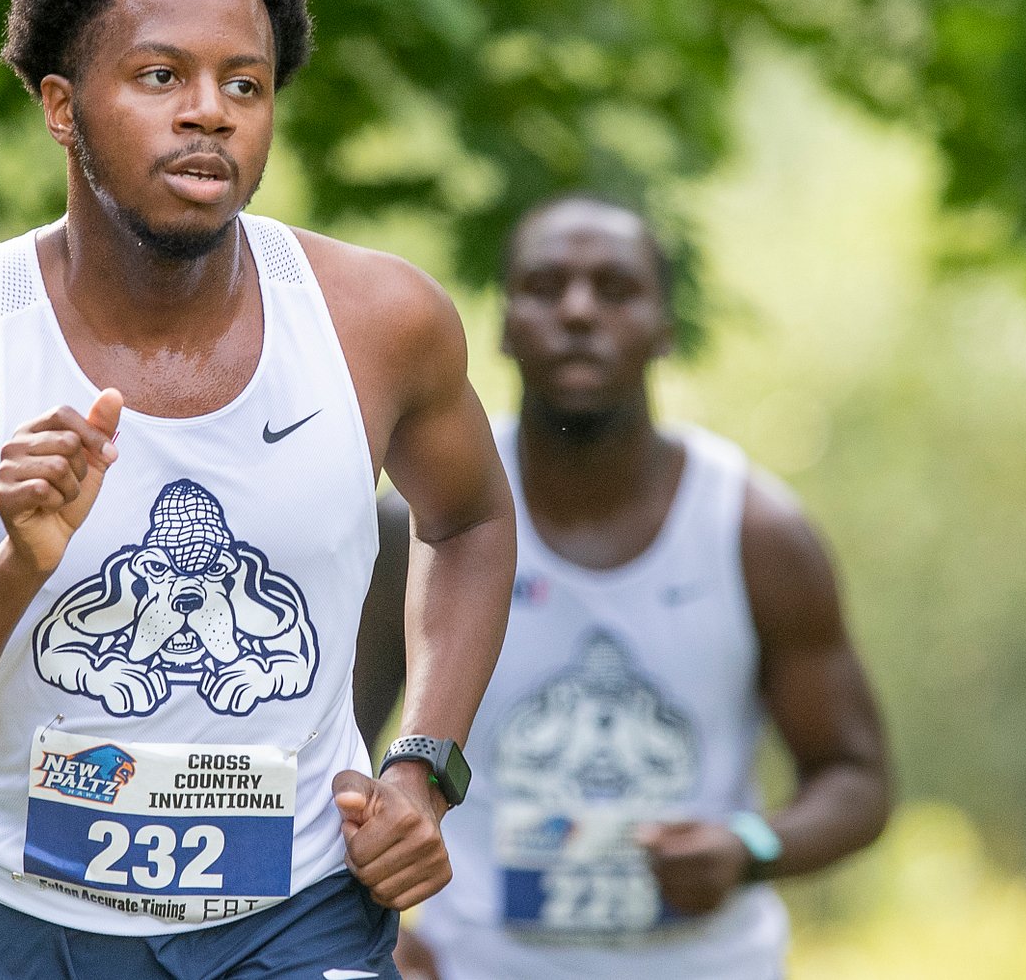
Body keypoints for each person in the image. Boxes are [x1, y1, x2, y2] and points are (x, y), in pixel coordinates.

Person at [0, 0, 517, 979]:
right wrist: (18, 565)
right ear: (62, 108)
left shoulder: (379, 323)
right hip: (30, 927)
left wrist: (422, 764)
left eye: (245, 84)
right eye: (160, 77)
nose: (210, 113)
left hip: (301, 916)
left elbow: (469, 521)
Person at [354, 196, 892, 978]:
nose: (578, 311)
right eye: (545, 287)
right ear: (503, 323)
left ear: (664, 325)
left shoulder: (755, 532)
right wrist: (380, 932)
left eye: (616, 289)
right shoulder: (421, 524)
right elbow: (327, 753)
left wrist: (749, 846)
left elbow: (857, 779)